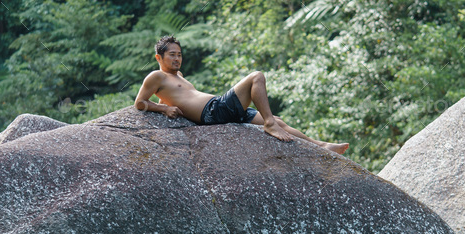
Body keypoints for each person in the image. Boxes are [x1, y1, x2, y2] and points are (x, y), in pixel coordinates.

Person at [134, 35, 349, 155]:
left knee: (280, 121)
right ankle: (269, 124)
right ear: (158, 57)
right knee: (257, 77)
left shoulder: (178, 76)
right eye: (172, 55)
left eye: (179, 55)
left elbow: (174, 97)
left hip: (218, 107)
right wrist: (164, 108)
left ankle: (321, 146)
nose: (177, 59)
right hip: (213, 113)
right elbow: (140, 103)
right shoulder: (156, 76)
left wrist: (167, 104)